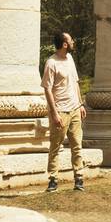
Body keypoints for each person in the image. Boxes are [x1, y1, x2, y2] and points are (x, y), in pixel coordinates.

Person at [42, 31, 86, 192]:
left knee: (77, 145)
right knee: (55, 146)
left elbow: (75, 82)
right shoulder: (51, 63)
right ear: (65, 44)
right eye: (71, 40)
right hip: (60, 110)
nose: (73, 42)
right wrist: (54, 113)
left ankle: (79, 178)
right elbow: (47, 89)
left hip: (74, 109)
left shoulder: (70, 59)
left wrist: (80, 104)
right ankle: (53, 179)